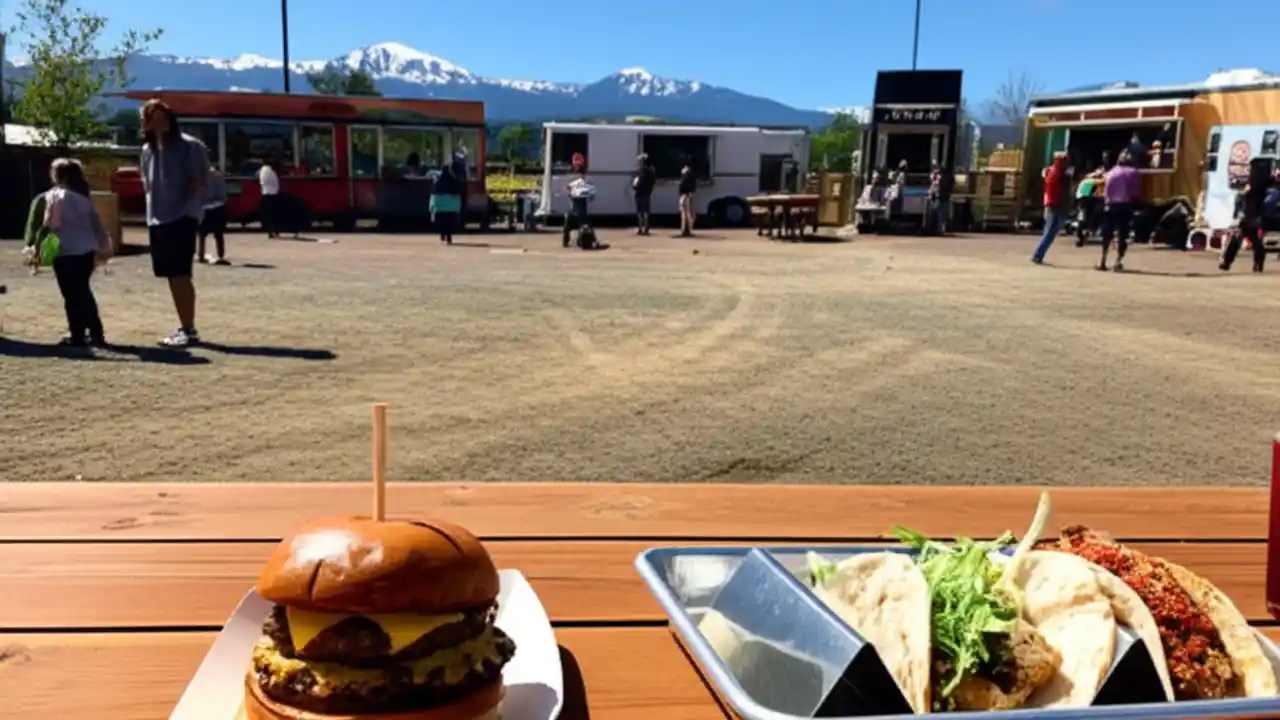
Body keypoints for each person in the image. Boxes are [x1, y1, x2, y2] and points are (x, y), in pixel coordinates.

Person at [140, 98, 208, 348]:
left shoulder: (190, 147)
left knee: (180, 274)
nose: (156, 122)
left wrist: (185, 211)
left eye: (161, 116)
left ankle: (189, 329)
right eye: (150, 118)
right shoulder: (147, 151)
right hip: (156, 219)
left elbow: (198, 182)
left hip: (181, 217)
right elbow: (146, 184)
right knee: (170, 275)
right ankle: (184, 325)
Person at [41, 159, 112, 348]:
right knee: (83, 292)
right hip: (86, 250)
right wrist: (104, 246)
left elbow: (51, 223)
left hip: (66, 250)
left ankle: (77, 333)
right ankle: (95, 331)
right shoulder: (83, 199)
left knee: (71, 296)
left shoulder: (54, 196)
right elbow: (96, 224)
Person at [1220, 159, 1274, 273]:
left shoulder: (1256, 183)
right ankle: (1257, 262)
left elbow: (1247, 195)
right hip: (1254, 213)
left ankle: (1228, 262)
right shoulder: (1264, 182)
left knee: (1242, 237)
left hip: (1252, 214)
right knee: (1251, 238)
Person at [1098, 151, 1142, 272]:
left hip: (1110, 206)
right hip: (1124, 206)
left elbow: (1104, 190)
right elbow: (1135, 192)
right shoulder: (1134, 173)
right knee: (1123, 234)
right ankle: (1118, 261)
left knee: (1107, 234)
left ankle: (1103, 260)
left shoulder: (1110, 173)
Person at [1032, 152, 1071, 264]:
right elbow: (1064, 192)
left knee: (1050, 231)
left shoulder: (1051, 171)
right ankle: (1038, 255)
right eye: (1064, 160)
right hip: (1055, 205)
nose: (1066, 163)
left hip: (1051, 204)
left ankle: (1039, 254)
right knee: (1050, 232)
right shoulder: (1058, 174)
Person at [199, 165, 229, 265]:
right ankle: (220, 255)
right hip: (218, 207)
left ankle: (201, 255)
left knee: (202, 234)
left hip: (203, 208)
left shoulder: (198, 176)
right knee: (219, 233)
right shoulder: (218, 176)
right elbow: (224, 194)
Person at [430, 162, 463, 245]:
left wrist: (432, 208)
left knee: (441, 223)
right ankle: (449, 237)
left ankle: (442, 235)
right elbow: (457, 193)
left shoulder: (438, 182)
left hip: (440, 207)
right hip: (451, 207)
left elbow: (433, 195)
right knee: (450, 223)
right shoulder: (453, 181)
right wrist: (458, 207)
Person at [562, 153, 591, 247]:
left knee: (584, 223)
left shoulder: (583, 177)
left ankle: (582, 239)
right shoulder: (572, 175)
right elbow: (568, 188)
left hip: (581, 207)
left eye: (579, 165)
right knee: (568, 223)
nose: (577, 167)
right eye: (576, 165)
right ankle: (566, 241)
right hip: (574, 207)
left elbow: (587, 189)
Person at [632, 154, 656, 236]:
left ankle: (641, 228)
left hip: (641, 193)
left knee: (641, 212)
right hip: (644, 193)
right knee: (644, 211)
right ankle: (644, 228)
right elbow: (652, 182)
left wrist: (635, 187)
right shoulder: (649, 171)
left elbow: (635, 183)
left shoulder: (640, 172)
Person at [257, 158, 281, 238]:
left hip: (267, 193)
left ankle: (271, 231)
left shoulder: (264, 170)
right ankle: (274, 230)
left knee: (269, 215)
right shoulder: (269, 171)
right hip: (271, 193)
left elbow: (261, 181)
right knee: (272, 214)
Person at [677, 160, 697, 238]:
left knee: (684, 213)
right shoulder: (692, 175)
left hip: (685, 195)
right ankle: (688, 229)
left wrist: (680, 193)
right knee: (688, 213)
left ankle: (685, 230)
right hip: (689, 195)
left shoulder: (685, 176)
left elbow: (682, 186)